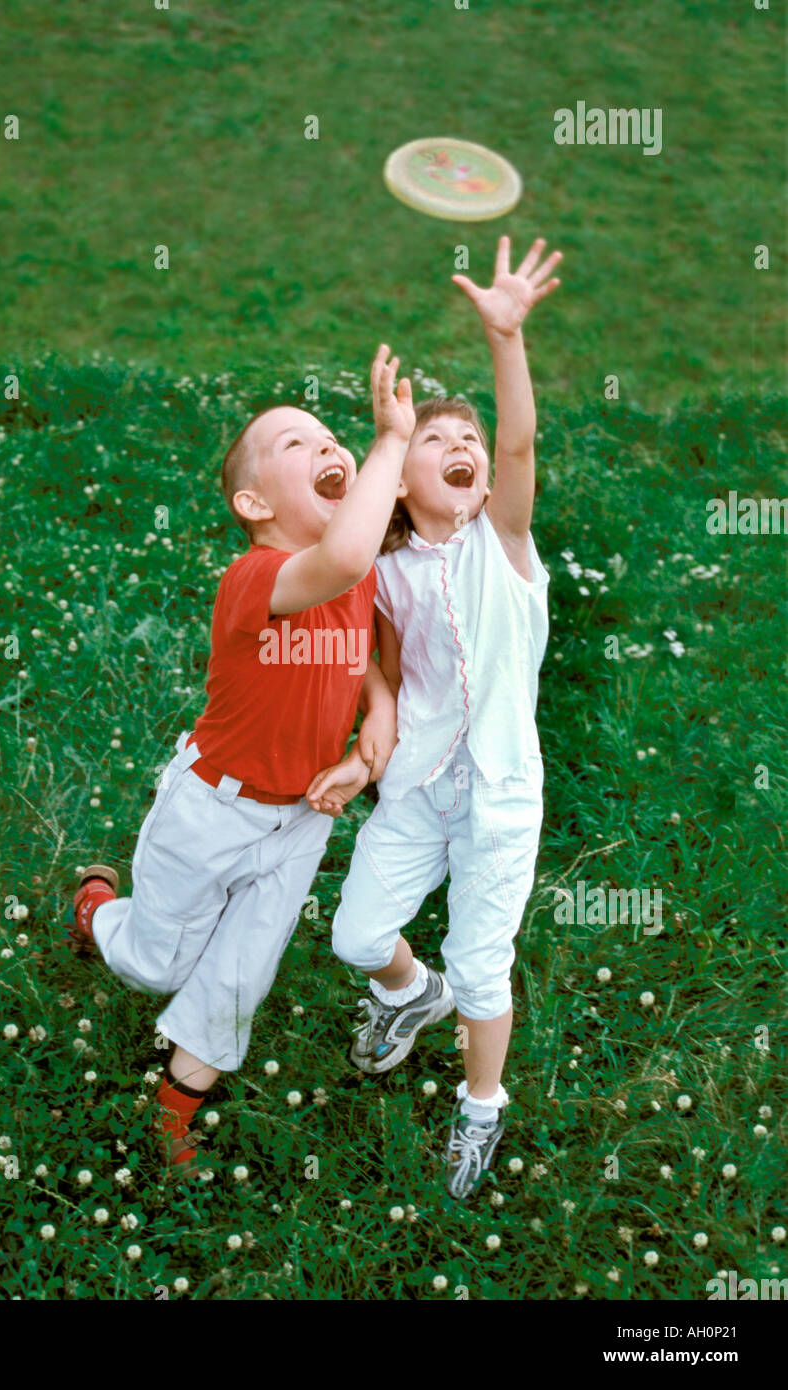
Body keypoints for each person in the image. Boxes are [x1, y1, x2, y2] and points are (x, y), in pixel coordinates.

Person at [66, 345, 412, 1175]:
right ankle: (96, 911)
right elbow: (343, 560)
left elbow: (364, 647)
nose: (329, 448)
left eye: (333, 438)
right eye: (298, 446)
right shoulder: (254, 578)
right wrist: (389, 441)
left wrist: (376, 726)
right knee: (158, 966)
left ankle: (174, 1104)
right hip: (209, 811)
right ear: (253, 503)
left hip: (299, 818)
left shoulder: (353, 573)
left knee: (240, 974)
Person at [307, 236, 563, 1200]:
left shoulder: (504, 544)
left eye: (468, 445)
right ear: (402, 485)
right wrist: (367, 745)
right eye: (434, 442)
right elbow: (378, 655)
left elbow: (517, 440)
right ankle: (411, 998)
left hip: (498, 798)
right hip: (414, 788)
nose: (460, 449)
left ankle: (480, 1108)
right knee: (355, 935)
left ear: (486, 482)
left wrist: (505, 338)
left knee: (482, 963)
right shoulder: (384, 567)